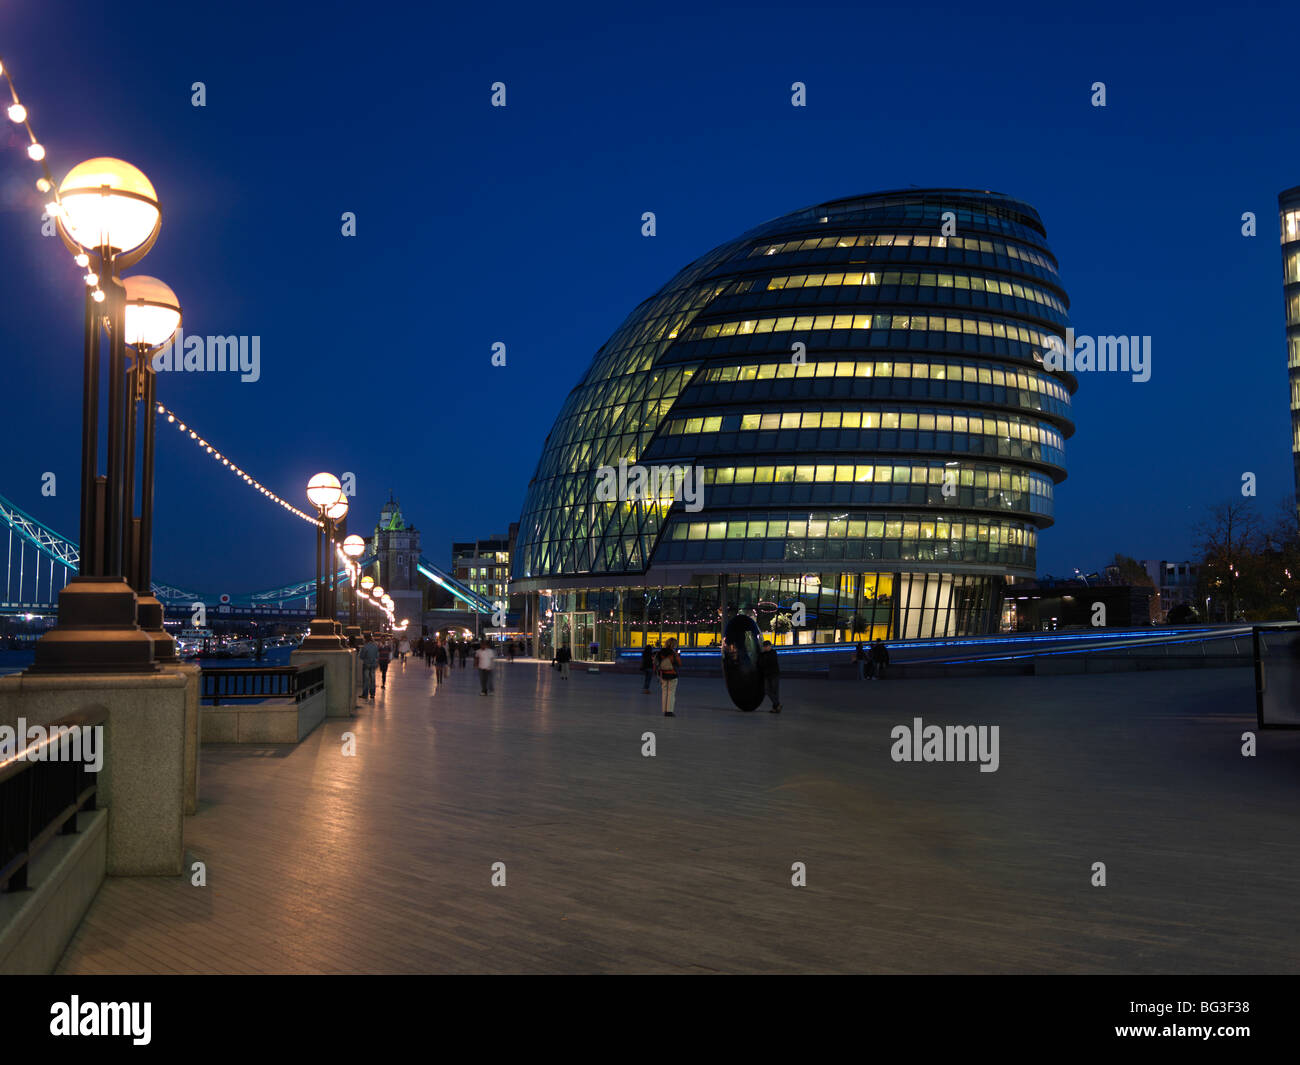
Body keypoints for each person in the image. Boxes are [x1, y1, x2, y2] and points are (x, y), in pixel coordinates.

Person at [656, 638, 681, 716]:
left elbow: (656, 663)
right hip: (672, 674)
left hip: (663, 674)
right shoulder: (673, 653)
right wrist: (678, 655)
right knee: (671, 693)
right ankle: (669, 711)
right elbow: (679, 664)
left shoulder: (660, 652)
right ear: (674, 645)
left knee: (664, 692)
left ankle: (664, 710)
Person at [758, 639, 782, 713]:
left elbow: (767, 663)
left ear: (770, 646)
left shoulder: (773, 653)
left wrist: (763, 662)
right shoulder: (763, 654)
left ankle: (775, 708)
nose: (766, 648)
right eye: (765, 646)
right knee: (767, 690)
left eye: (767, 646)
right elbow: (761, 663)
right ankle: (777, 705)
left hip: (774, 674)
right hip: (767, 675)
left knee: (774, 691)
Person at [359, 634, 379, 700]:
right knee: (373, 679)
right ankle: (372, 694)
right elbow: (377, 655)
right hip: (373, 664)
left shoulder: (365, 647)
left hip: (366, 664)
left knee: (366, 680)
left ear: (365, 639)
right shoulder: (375, 646)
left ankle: (365, 694)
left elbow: (361, 656)